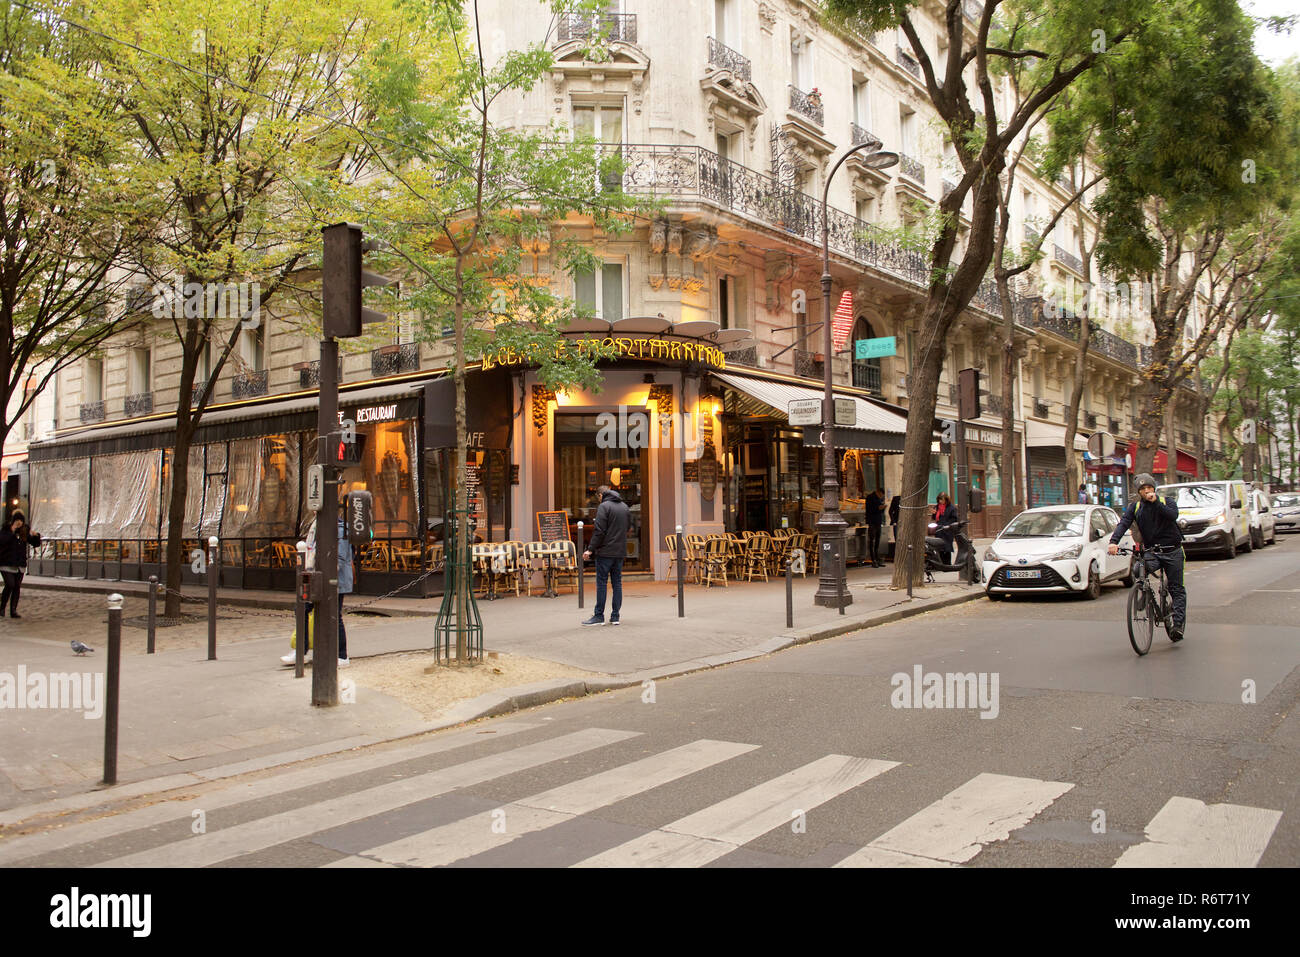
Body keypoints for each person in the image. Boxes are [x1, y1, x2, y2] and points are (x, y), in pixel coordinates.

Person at [1109, 473, 1186, 641]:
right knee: (1139, 569)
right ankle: (1143, 593)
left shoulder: (1167, 502)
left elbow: (1172, 516)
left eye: (1149, 488)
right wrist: (1113, 542)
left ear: (1154, 488)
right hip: (1153, 552)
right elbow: (1123, 524)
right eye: (1143, 489)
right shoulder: (1135, 507)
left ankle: (1178, 626)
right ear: (1139, 492)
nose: (1147, 491)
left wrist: (1156, 502)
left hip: (1173, 551)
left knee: (1176, 588)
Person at [581, 485, 630, 626]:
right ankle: (615, 616)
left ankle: (599, 616)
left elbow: (599, 531)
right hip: (619, 551)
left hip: (605, 552)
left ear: (600, 495)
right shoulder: (624, 507)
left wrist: (590, 549)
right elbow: (627, 528)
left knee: (602, 583)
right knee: (617, 583)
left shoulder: (604, 507)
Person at [0, 512, 41, 619]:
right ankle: (2, 607)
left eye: (21, 521)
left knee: (16, 586)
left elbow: (35, 543)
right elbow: (2, 541)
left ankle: (13, 610)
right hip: (6, 563)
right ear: (13, 521)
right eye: (17, 520)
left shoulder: (24, 532)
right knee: (10, 584)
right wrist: (12, 530)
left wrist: (36, 536)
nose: (19, 523)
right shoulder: (6, 530)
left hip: (19, 564)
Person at [932, 493, 959, 565]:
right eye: (939, 500)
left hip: (947, 530)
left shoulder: (951, 508)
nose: (940, 501)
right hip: (939, 530)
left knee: (947, 547)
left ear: (946, 500)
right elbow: (934, 518)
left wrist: (947, 525)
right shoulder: (937, 507)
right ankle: (941, 563)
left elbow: (954, 519)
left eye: (942, 500)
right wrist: (934, 514)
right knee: (939, 546)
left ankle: (947, 563)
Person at [865, 488, 885, 567]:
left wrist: (882, 508)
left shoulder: (879, 499)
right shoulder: (870, 497)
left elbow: (880, 511)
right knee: (872, 541)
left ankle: (877, 559)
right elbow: (869, 509)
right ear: (878, 492)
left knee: (877, 541)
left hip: (878, 522)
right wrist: (878, 508)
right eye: (881, 495)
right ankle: (873, 560)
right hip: (872, 522)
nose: (881, 497)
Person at [888, 494, 901, 562]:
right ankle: (898, 557)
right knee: (898, 540)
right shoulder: (896, 499)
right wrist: (893, 521)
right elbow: (890, 511)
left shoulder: (909, 500)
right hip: (897, 522)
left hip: (905, 523)